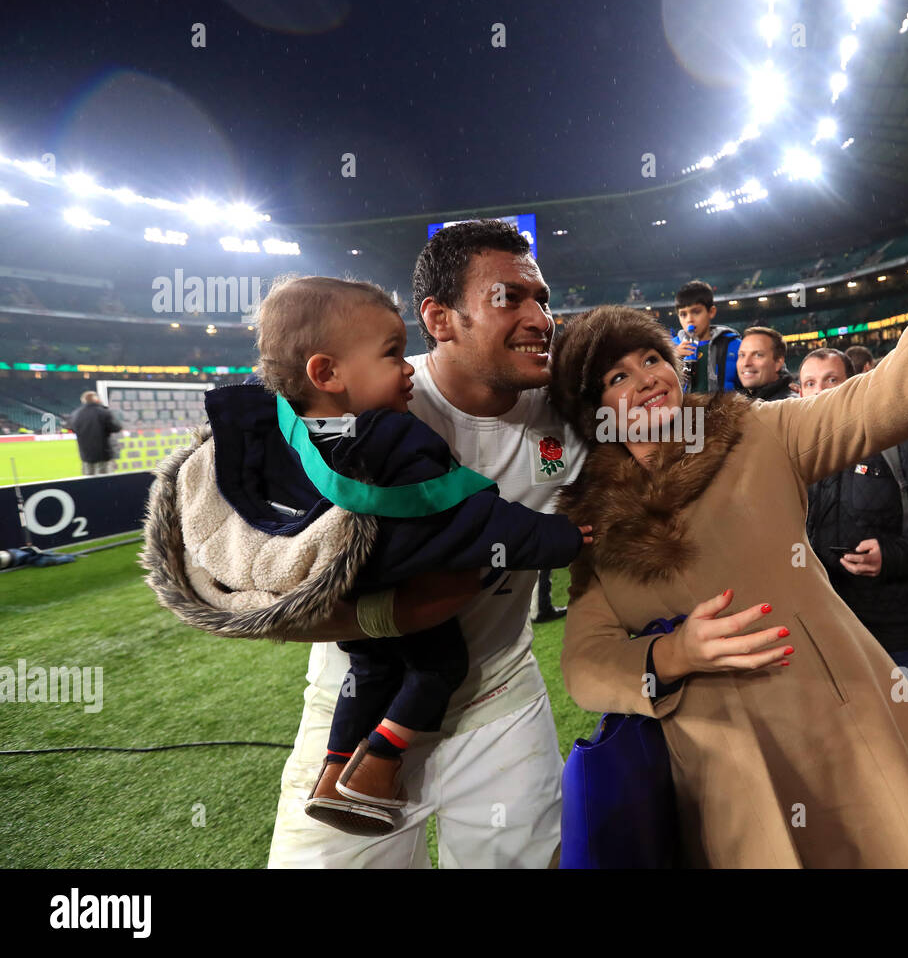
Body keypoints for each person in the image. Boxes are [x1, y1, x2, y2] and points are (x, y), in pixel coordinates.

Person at [550, 50, 908, 866]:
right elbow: (585, 660)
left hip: (849, 733)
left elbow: (900, 394)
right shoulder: (598, 523)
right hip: (729, 783)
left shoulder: (755, 432)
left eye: (651, 360)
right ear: (594, 414)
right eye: (616, 377)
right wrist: (672, 656)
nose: (647, 381)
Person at [143, 276, 590, 837]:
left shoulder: (275, 436)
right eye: (392, 354)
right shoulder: (392, 434)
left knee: (371, 668)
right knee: (438, 665)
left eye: (543, 300)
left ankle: (335, 773)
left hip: (457, 679)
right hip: (391, 632)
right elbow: (473, 521)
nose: (539, 318)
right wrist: (565, 540)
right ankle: (378, 764)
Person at [263, 219, 592, 868]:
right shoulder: (357, 404)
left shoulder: (575, 409)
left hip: (498, 695)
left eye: (544, 299)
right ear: (440, 319)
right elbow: (251, 587)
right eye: (510, 298)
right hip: (358, 698)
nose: (540, 317)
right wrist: (386, 615)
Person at [802, 352, 908, 677]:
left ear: (854, 384)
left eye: (831, 380)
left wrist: (890, 555)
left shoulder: (904, 442)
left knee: (901, 729)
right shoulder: (796, 452)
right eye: (810, 383)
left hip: (894, 634)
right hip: (820, 630)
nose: (820, 391)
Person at [674, 280, 740, 393]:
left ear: (711, 312)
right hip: (687, 411)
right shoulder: (671, 347)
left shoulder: (734, 345)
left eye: (696, 312)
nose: (689, 319)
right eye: (683, 314)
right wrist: (672, 359)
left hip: (725, 410)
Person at [737, 326, 796, 401]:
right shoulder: (738, 403)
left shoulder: (792, 408)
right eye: (742, 355)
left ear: (778, 363)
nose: (746, 363)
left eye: (758, 355)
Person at [69, 391, 120, 476]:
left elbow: (72, 428)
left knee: (88, 480)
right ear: (96, 399)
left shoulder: (76, 414)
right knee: (106, 481)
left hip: (86, 455)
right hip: (103, 454)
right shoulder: (103, 412)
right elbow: (116, 427)